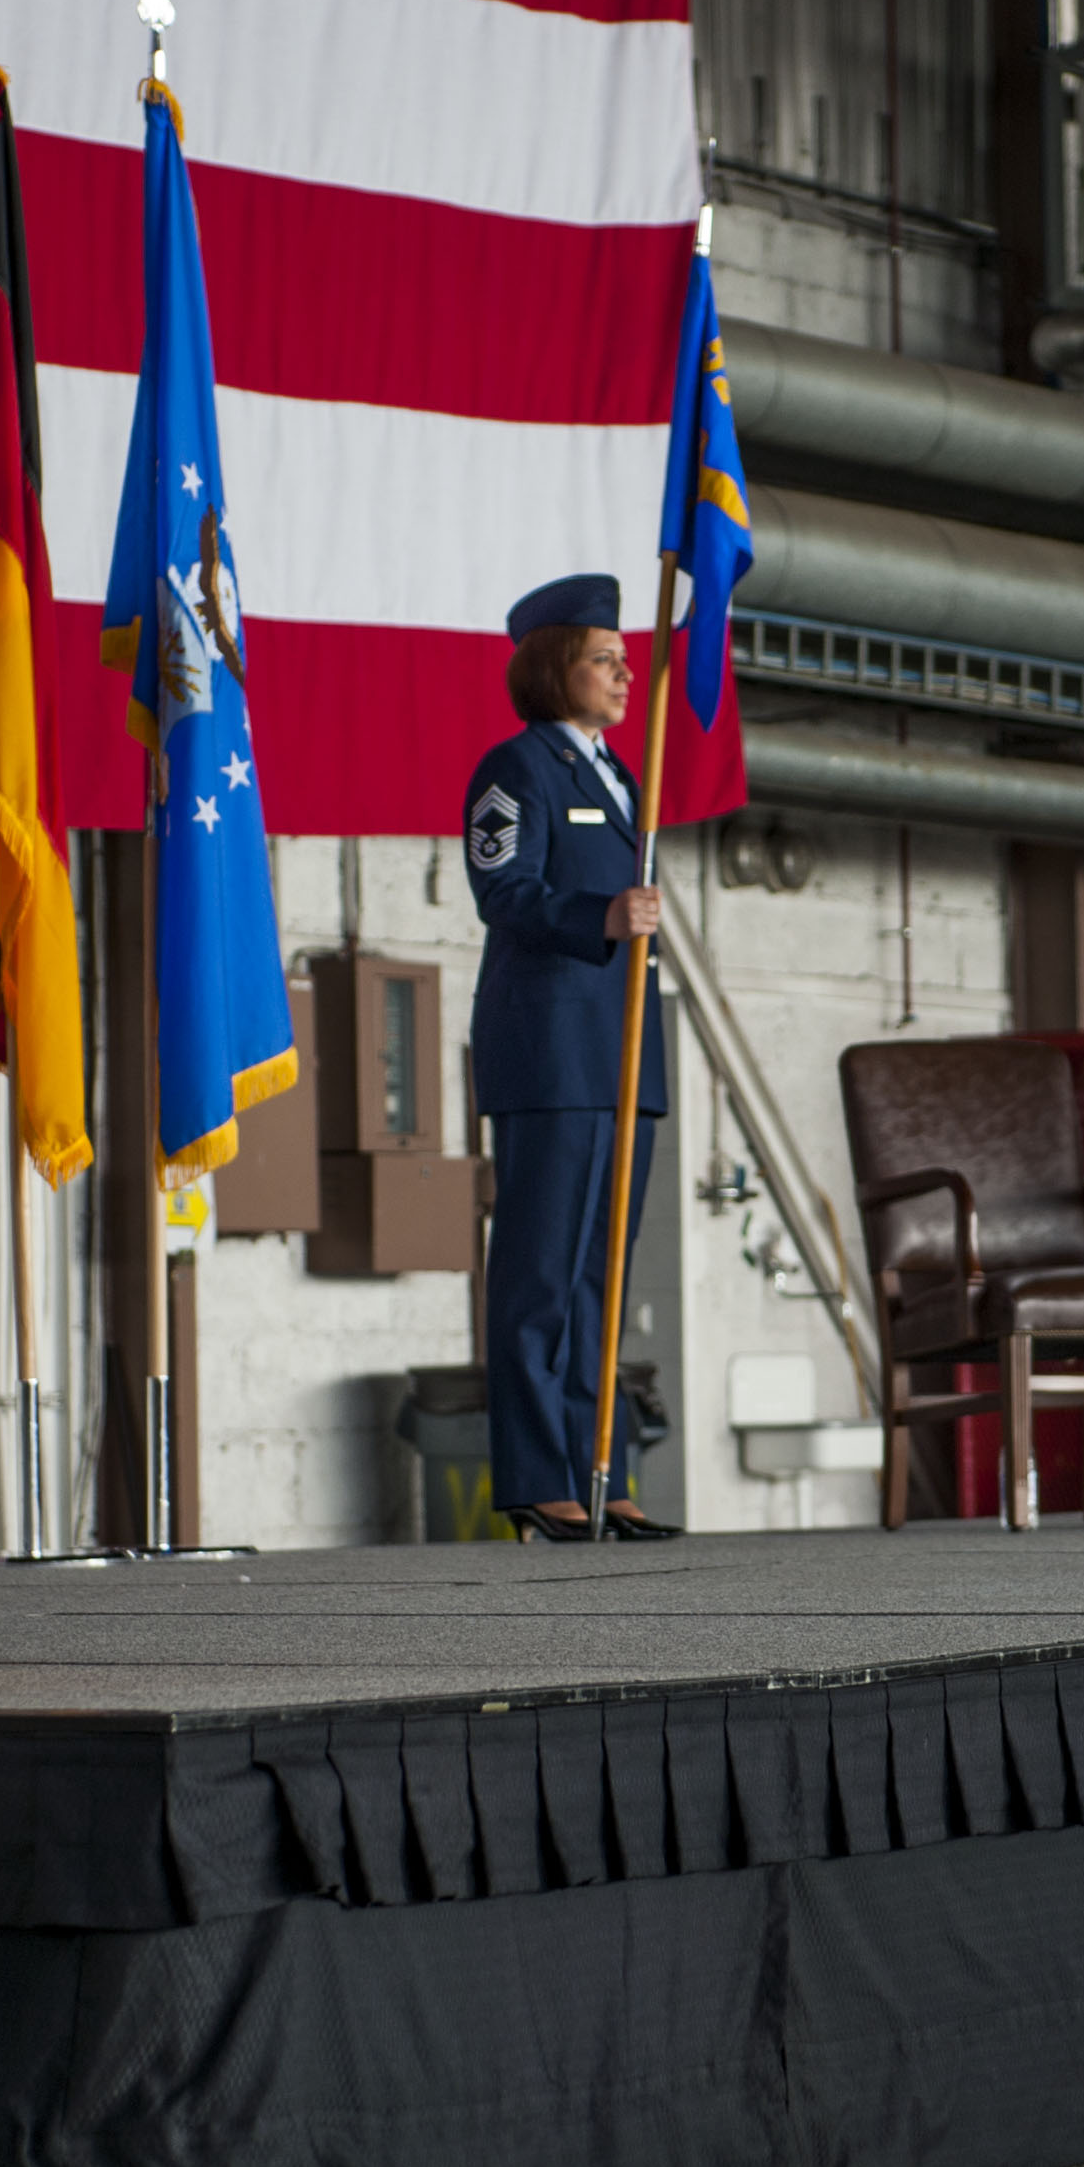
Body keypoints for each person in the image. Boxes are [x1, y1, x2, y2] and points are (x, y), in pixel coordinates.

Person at [462, 576, 676, 1541]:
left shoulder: (623, 777)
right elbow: (502, 891)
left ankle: (603, 1468)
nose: (625, 673)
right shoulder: (518, 768)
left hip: (622, 1051)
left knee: (604, 1279)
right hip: (551, 1054)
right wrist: (598, 915)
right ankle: (537, 1472)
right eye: (604, 657)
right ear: (554, 666)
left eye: (626, 659)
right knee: (541, 1274)